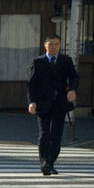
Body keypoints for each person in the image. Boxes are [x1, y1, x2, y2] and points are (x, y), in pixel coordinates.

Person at [27, 35, 78, 176]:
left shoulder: (66, 61)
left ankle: (51, 163)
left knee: (56, 135)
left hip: (60, 103)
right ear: (45, 45)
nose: (53, 46)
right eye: (51, 44)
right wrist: (32, 102)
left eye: (56, 44)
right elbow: (32, 84)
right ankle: (44, 164)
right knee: (44, 134)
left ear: (60, 45)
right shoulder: (38, 62)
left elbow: (74, 76)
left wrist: (72, 89)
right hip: (43, 103)